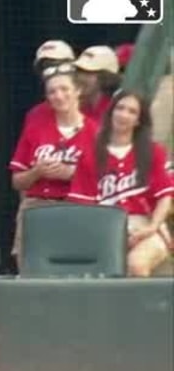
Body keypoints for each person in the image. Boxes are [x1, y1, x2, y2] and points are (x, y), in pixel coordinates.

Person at [67, 89, 173, 277]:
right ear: (111, 112)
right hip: (105, 226)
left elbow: (164, 195)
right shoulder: (90, 153)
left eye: (132, 111)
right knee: (107, 271)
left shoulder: (153, 151)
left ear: (139, 120)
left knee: (136, 265)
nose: (124, 115)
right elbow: (82, 206)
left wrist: (152, 227)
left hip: (146, 226)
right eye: (120, 108)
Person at [9, 63, 93, 264]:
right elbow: (17, 182)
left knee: (72, 270)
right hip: (36, 207)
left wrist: (71, 173)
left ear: (78, 91)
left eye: (65, 89)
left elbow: (106, 183)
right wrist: (36, 172)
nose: (59, 95)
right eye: (52, 92)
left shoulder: (95, 132)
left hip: (76, 209)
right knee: (31, 270)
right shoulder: (35, 129)